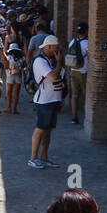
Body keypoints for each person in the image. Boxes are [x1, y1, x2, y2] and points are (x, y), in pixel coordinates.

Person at [29, 36, 65, 169]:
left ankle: (44, 157)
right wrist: (60, 62)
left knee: (48, 130)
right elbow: (53, 76)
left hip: (53, 99)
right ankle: (33, 158)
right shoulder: (40, 61)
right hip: (43, 101)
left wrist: (59, 98)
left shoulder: (51, 60)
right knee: (40, 129)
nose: (59, 49)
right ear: (49, 47)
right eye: (57, 47)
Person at [67, 22, 89, 125]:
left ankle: (74, 117)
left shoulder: (72, 41)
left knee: (74, 95)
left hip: (73, 70)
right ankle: (87, 118)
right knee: (86, 95)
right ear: (86, 31)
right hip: (83, 71)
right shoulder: (87, 43)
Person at [4, 42, 26, 114]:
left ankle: (9, 107)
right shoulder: (22, 58)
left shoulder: (9, 57)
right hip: (18, 75)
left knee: (9, 92)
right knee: (16, 94)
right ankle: (14, 109)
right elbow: (24, 65)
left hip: (10, 75)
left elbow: (6, 66)